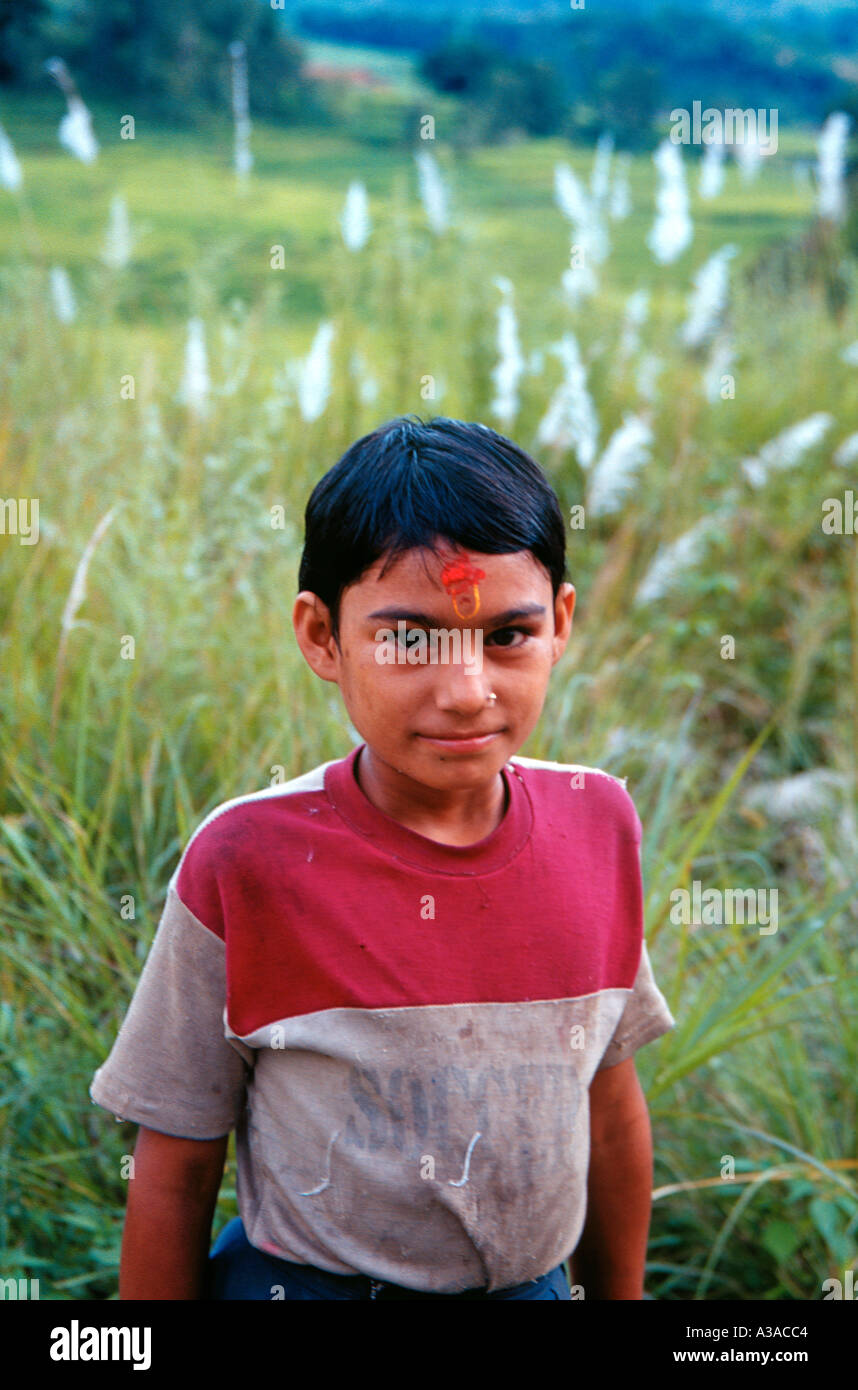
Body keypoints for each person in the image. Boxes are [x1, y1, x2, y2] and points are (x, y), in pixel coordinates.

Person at [89, 414, 676, 1300]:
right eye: (409, 639)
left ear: (559, 623)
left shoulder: (597, 824)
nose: (466, 692)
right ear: (322, 637)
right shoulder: (248, 860)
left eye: (506, 636)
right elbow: (176, 1163)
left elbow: (609, 1111)